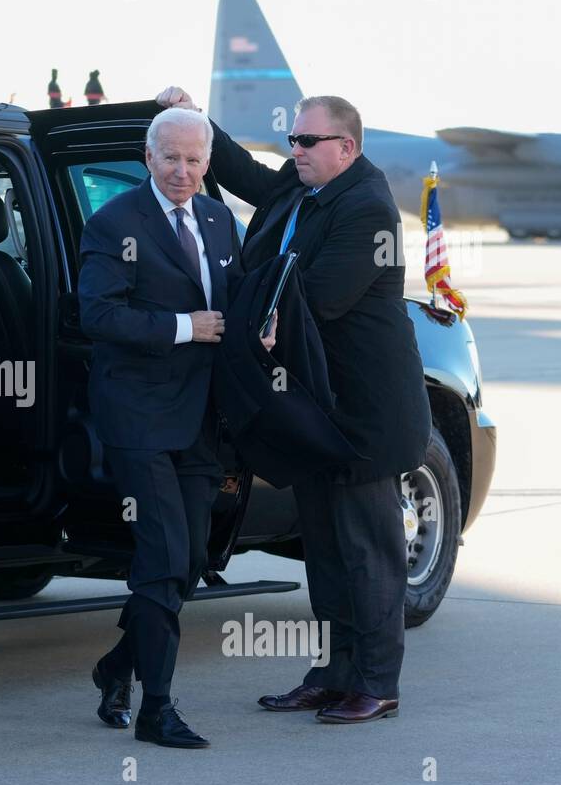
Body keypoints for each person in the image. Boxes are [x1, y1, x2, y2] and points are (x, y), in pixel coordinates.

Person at [158, 87, 431, 723]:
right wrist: (199, 121)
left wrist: (253, 308)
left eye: (307, 142)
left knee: (370, 551)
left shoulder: (365, 208)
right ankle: (334, 673)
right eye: (293, 140)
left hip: (364, 411)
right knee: (328, 550)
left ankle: (376, 682)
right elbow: (245, 174)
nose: (295, 151)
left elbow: (320, 295)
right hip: (314, 408)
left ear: (346, 148)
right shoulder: (304, 183)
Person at [79, 107, 274, 748]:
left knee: (189, 559)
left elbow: (237, 298)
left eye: (195, 160)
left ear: (208, 163)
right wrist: (187, 325)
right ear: (148, 156)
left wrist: (260, 327)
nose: (184, 171)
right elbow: (99, 316)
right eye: (172, 158)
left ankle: (114, 666)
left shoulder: (220, 220)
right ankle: (155, 709)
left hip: (201, 420)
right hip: (138, 416)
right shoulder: (114, 224)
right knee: (161, 558)